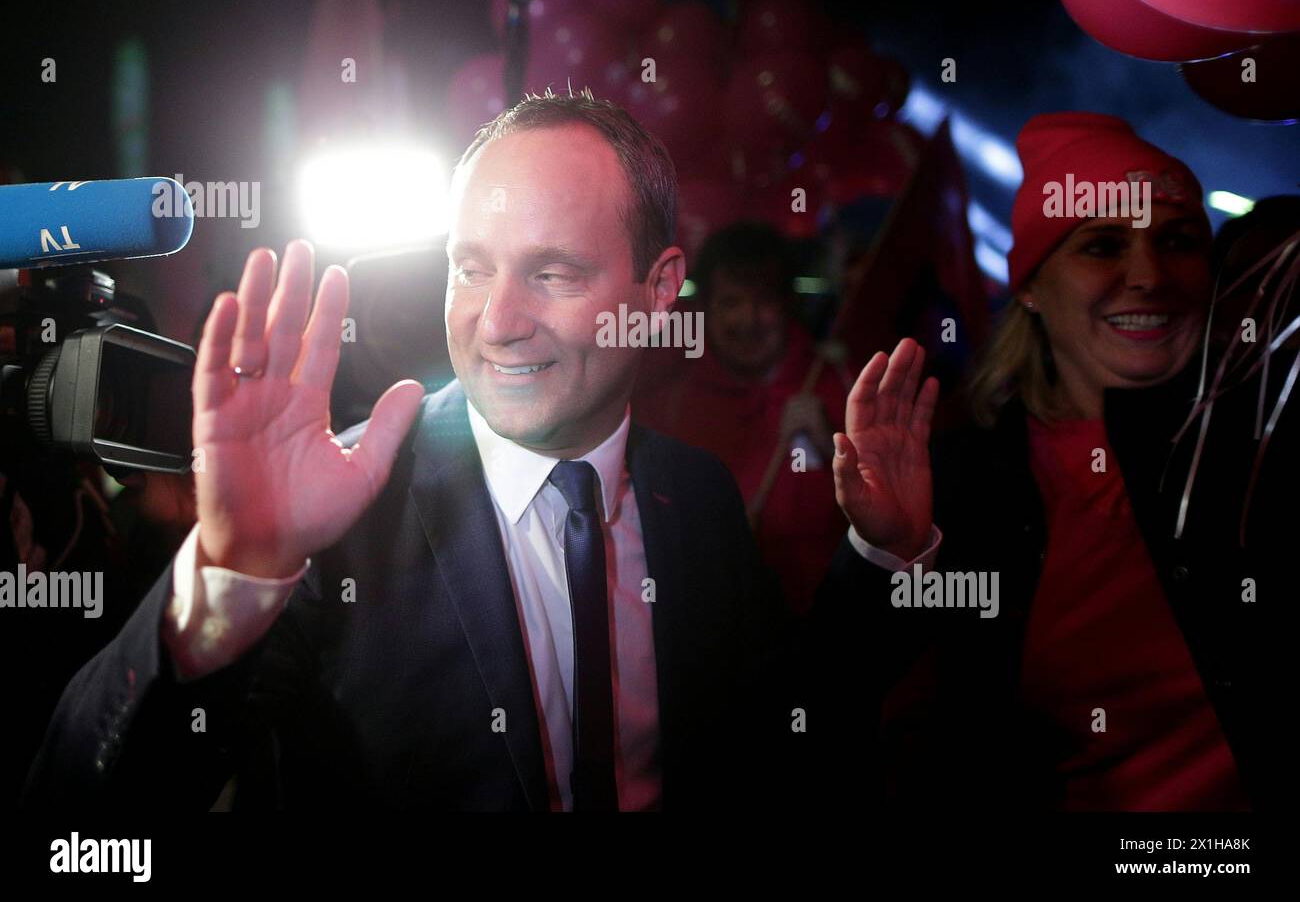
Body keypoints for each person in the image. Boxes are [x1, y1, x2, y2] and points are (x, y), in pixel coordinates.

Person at [24, 89, 940, 812]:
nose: (497, 322)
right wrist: (232, 574)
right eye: (470, 268)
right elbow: (89, 825)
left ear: (659, 290)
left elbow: (783, 745)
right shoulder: (337, 506)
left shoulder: (691, 496)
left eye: (552, 272)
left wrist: (885, 557)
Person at [832, 112, 1256, 811]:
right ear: (1029, 285)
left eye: (1177, 241)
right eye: (1102, 246)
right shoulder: (967, 480)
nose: (1148, 276)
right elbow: (833, 703)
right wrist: (890, 557)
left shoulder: (1262, 450)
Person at [634, 222, 850, 614]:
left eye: (763, 300)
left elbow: (887, 528)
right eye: (730, 302)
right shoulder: (671, 403)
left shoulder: (844, 388)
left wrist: (836, 449)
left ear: (788, 304)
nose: (748, 320)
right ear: (705, 309)